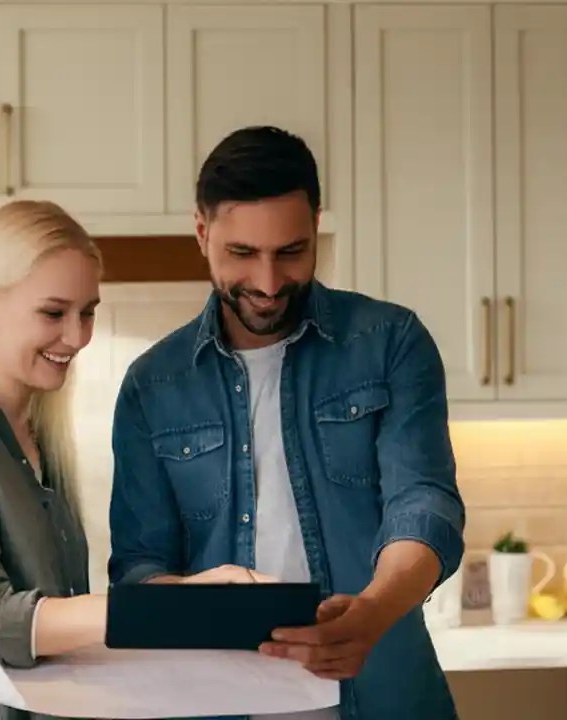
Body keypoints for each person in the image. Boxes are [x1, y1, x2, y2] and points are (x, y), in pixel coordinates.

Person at [107, 126, 466, 719]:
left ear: (316, 225)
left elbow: (424, 503)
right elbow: (140, 565)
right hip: (216, 704)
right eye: (242, 254)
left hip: (384, 696)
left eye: (291, 252)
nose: (269, 285)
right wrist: (195, 600)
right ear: (202, 233)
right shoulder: (153, 385)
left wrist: (374, 610)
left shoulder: (390, 342)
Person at [0, 200, 267, 720]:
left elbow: (55, 629)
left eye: (88, 311)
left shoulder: (38, 434)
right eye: (54, 313)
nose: (76, 337)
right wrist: (171, 608)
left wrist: (189, 606)